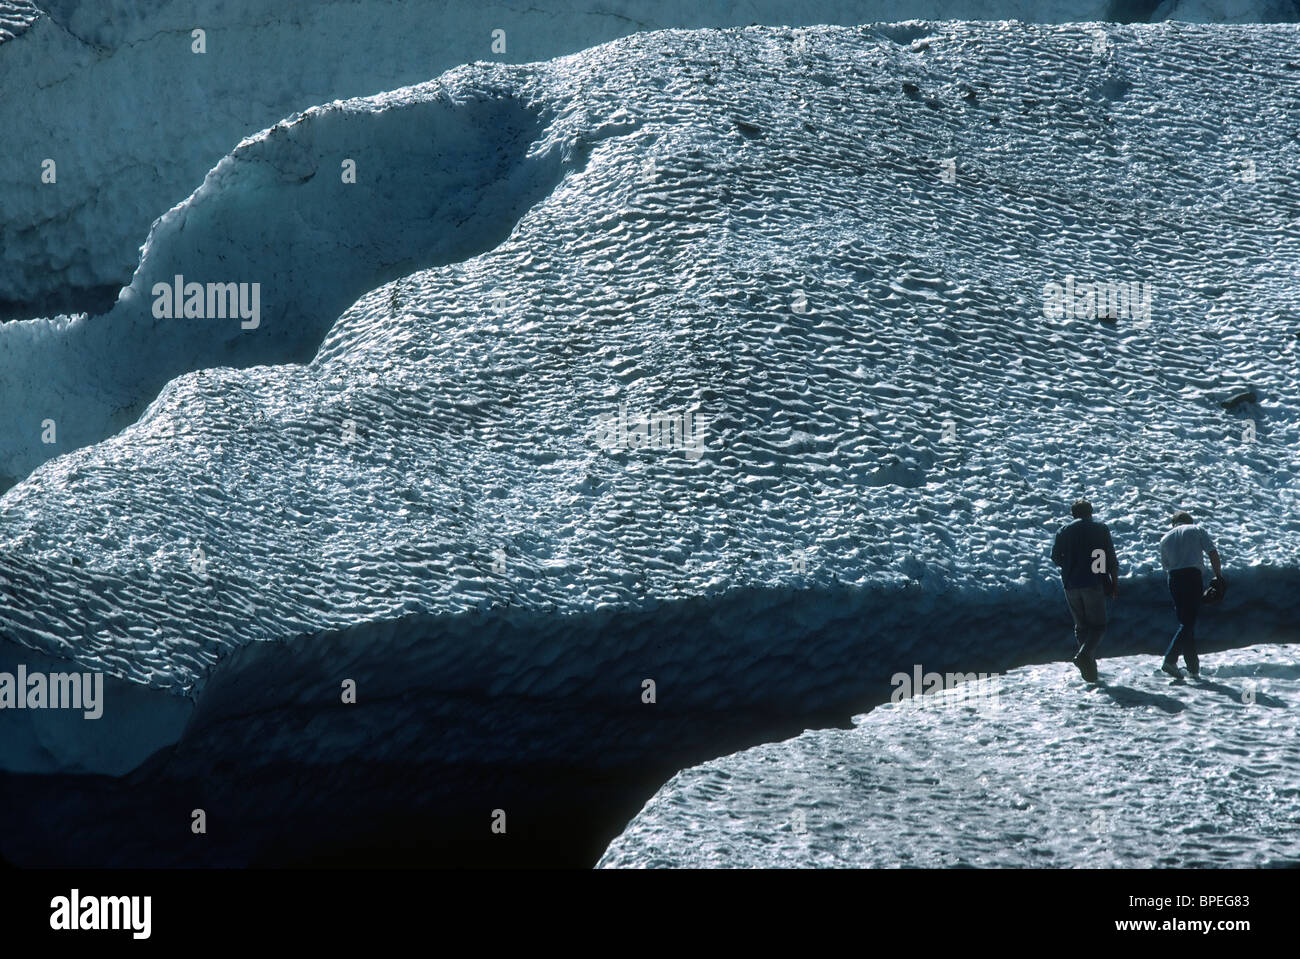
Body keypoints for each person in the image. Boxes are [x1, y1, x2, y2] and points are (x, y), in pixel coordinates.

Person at [1051, 499, 1119, 683]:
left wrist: (1071, 565)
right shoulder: (1100, 529)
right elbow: (1108, 557)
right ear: (1091, 511)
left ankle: (1090, 673)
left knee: (1081, 627)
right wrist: (1113, 582)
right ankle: (1084, 656)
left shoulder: (1063, 531)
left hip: (1071, 584)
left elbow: (1056, 557)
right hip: (1093, 581)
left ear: (1073, 514)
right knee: (1098, 626)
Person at [1158, 510, 1222, 680]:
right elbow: (1212, 553)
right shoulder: (1196, 529)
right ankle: (1170, 660)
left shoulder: (1165, 538)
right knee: (1189, 621)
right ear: (1189, 520)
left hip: (1174, 579)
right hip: (1192, 577)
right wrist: (1218, 576)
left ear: (1174, 524)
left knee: (1185, 622)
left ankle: (1193, 668)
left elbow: (1166, 566)